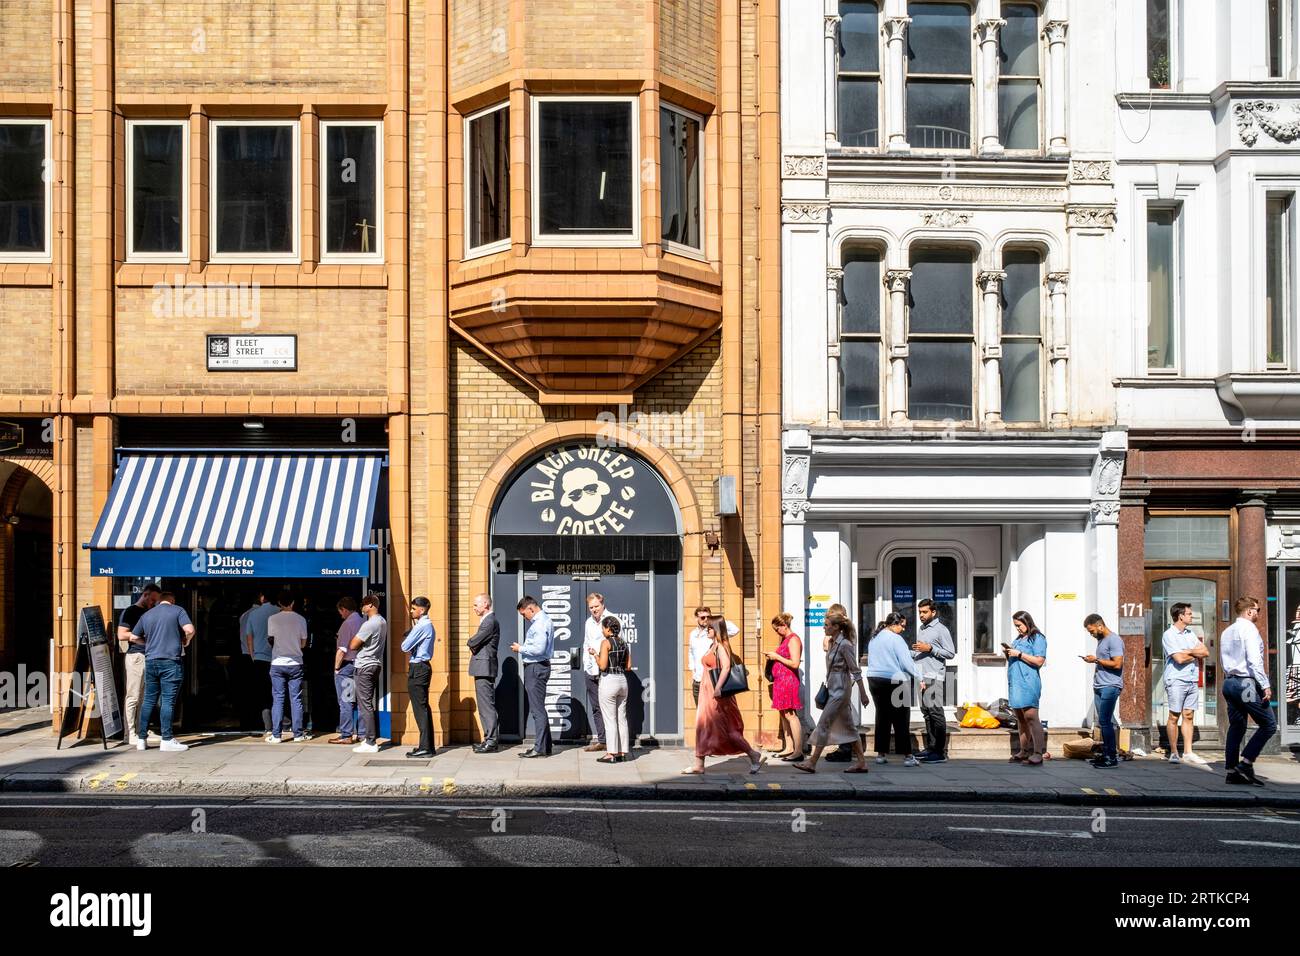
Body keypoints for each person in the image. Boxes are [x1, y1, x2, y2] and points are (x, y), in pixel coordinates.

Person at [684, 615, 764, 775]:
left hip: (716, 694)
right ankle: (699, 764)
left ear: (717, 629)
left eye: (710, 627)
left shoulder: (721, 646)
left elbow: (726, 667)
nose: (707, 629)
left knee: (728, 730)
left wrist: (718, 688)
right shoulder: (713, 645)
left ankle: (753, 754)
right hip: (707, 693)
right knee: (703, 727)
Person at [793, 613, 869, 774]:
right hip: (834, 687)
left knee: (823, 724)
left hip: (841, 690)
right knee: (849, 727)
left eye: (827, 625)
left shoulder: (845, 645)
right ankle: (861, 762)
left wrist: (863, 694)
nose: (824, 627)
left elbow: (855, 671)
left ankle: (812, 762)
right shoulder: (833, 642)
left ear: (836, 627)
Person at [1221, 597, 1276, 786]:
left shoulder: (1227, 631)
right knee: (1269, 724)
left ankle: (1231, 771)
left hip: (1229, 683)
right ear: (1249, 611)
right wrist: (1265, 684)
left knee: (1236, 726)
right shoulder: (1250, 630)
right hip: (1246, 684)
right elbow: (1254, 661)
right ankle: (1246, 763)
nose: (1258, 614)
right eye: (1257, 610)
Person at [131, 591, 195, 752]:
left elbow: (133, 637)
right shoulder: (178, 610)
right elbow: (190, 629)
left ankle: (141, 739)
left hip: (151, 660)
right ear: (171, 600)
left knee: (148, 700)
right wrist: (186, 641)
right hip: (171, 661)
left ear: (159, 601)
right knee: (168, 701)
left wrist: (148, 643)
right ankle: (166, 739)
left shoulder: (147, 615)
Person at [865, 612, 920, 766]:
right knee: (901, 718)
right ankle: (908, 756)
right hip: (895, 680)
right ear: (895, 624)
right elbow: (906, 663)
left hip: (874, 679)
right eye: (902, 626)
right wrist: (920, 677)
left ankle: (881, 754)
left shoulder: (875, 638)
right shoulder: (897, 639)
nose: (903, 629)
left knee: (882, 717)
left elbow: (886, 655)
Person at [1160, 602, 1210, 765]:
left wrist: (1187, 651)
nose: (1191, 616)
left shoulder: (1190, 634)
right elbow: (1179, 659)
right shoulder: (1169, 634)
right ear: (1180, 616)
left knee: (1189, 715)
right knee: (1174, 715)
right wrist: (1194, 654)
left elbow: (1205, 652)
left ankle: (1188, 752)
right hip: (1176, 679)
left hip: (1191, 678)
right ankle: (1174, 752)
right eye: (1189, 613)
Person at [117, 583, 160, 747]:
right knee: (133, 696)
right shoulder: (130, 611)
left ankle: (141, 730)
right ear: (146, 594)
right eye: (152, 600)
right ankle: (130, 733)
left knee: (143, 697)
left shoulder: (148, 612)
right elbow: (121, 634)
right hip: (135, 656)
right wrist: (141, 639)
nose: (153, 603)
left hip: (147, 655)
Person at [912, 597, 955, 763]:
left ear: (933, 612)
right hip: (922, 677)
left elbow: (950, 653)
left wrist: (930, 648)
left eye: (924, 612)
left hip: (934, 676)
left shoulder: (941, 630)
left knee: (936, 713)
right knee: (927, 714)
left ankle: (939, 751)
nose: (921, 615)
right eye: (920, 612)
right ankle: (931, 748)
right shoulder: (921, 629)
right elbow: (919, 653)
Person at [512, 596, 555, 758]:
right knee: (539, 708)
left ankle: (539, 748)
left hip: (536, 667)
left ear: (531, 608)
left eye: (524, 614)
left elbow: (538, 649)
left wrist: (520, 649)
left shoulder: (539, 624)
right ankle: (546, 746)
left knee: (537, 710)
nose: (524, 617)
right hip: (539, 666)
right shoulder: (545, 621)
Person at [1004, 610, 1048, 765]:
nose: (1017, 629)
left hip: (1028, 683)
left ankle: (1038, 753)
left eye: (1019, 625)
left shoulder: (1038, 638)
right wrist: (1009, 653)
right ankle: (1024, 750)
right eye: (1015, 626)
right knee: (1021, 718)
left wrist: (1020, 654)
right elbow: (1015, 656)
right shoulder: (1018, 639)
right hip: (1016, 683)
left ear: (1027, 622)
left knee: (1031, 717)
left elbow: (1039, 661)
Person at [266, 590, 309, 743]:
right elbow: (303, 643)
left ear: (279, 603)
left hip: (277, 663)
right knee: (296, 699)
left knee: (277, 699)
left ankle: (276, 735)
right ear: (293, 603)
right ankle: (298, 734)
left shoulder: (272, 619)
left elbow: (270, 639)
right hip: (296, 663)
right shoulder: (300, 619)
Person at [1083, 613, 1125, 769]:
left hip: (1110, 686)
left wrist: (1095, 660)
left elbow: (1117, 664)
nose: (1091, 633)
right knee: (1103, 722)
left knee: (1106, 722)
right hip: (1100, 686)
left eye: (1091, 630)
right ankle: (1106, 754)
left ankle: (1111, 758)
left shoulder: (1114, 640)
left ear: (1099, 626)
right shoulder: (1102, 640)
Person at [349, 593, 387, 754]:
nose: (361, 607)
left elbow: (353, 645)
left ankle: (370, 741)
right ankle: (369, 739)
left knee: (364, 704)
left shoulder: (370, 624)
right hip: (375, 664)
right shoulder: (382, 621)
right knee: (368, 703)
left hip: (364, 665)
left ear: (371, 605)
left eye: (363, 604)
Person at [763, 612, 804, 760]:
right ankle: (789, 747)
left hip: (788, 681)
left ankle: (798, 751)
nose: (776, 632)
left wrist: (776, 657)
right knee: (783, 713)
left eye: (777, 629)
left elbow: (795, 663)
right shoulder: (785, 639)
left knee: (790, 715)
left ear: (784, 626)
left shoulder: (793, 640)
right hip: (781, 681)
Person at [594, 615, 632, 763]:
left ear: (608, 629)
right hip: (622, 680)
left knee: (610, 720)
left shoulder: (606, 642)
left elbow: (603, 666)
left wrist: (595, 656)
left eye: (603, 628)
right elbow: (628, 666)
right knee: (622, 718)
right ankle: (622, 752)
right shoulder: (624, 643)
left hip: (609, 680)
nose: (602, 630)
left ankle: (611, 754)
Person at [402, 596, 436, 757]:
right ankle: (426, 745)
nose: (411, 611)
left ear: (421, 610)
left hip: (418, 667)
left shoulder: (422, 626)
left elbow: (404, 646)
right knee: (423, 708)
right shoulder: (425, 625)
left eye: (414, 608)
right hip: (422, 667)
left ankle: (426, 748)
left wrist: (411, 635)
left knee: (420, 709)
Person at [467, 592, 500, 752]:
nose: (474, 608)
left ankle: (491, 741)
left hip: (485, 668)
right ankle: (488, 738)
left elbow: (474, 640)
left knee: (486, 706)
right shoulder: (487, 621)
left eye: (476, 605)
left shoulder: (489, 621)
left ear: (485, 604)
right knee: (484, 706)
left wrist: (471, 642)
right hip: (482, 667)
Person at [244, 591, 279, 739]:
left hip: (259, 658)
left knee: (263, 694)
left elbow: (249, 638)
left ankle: (268, 727)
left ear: (262, 598)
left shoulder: (253, 614)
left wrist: (253, 655)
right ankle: (282, 724)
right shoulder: (279, 612)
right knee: (278, 693)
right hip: (277, 658)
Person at [688, 606, 738, 706]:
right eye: (702, 617)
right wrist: (692, 669)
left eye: (708, 617)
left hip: (711, 681)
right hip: (698, 680)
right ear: (696, 618)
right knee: (701, 714)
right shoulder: (693, 634)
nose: (705, 620)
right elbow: (691, 651)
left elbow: (735, 629)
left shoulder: (713, 633)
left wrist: (715, 622)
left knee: (711, 714)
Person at [330, 596, 363, 744]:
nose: (340, 615)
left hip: (347, 666)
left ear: (344, 609)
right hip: (361, 664)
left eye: (340, 612)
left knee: (346, 701)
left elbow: (342, 650)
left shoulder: (346, 624)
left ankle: (346, 734)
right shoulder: (363, 621)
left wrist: (337, 668)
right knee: (363, 701)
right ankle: (362, 734)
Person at [581, 592, 610, 752]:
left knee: (609, 707)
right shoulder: (588, 623)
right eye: (591, 607)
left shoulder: (611, 619)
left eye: (596, 606)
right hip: (591, 669)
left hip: (606, 669)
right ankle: (602, 740)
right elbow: (586, 643)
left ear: (602, 604)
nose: (594, 610)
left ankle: (613, 742)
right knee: (596, 707)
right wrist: (587, 663)